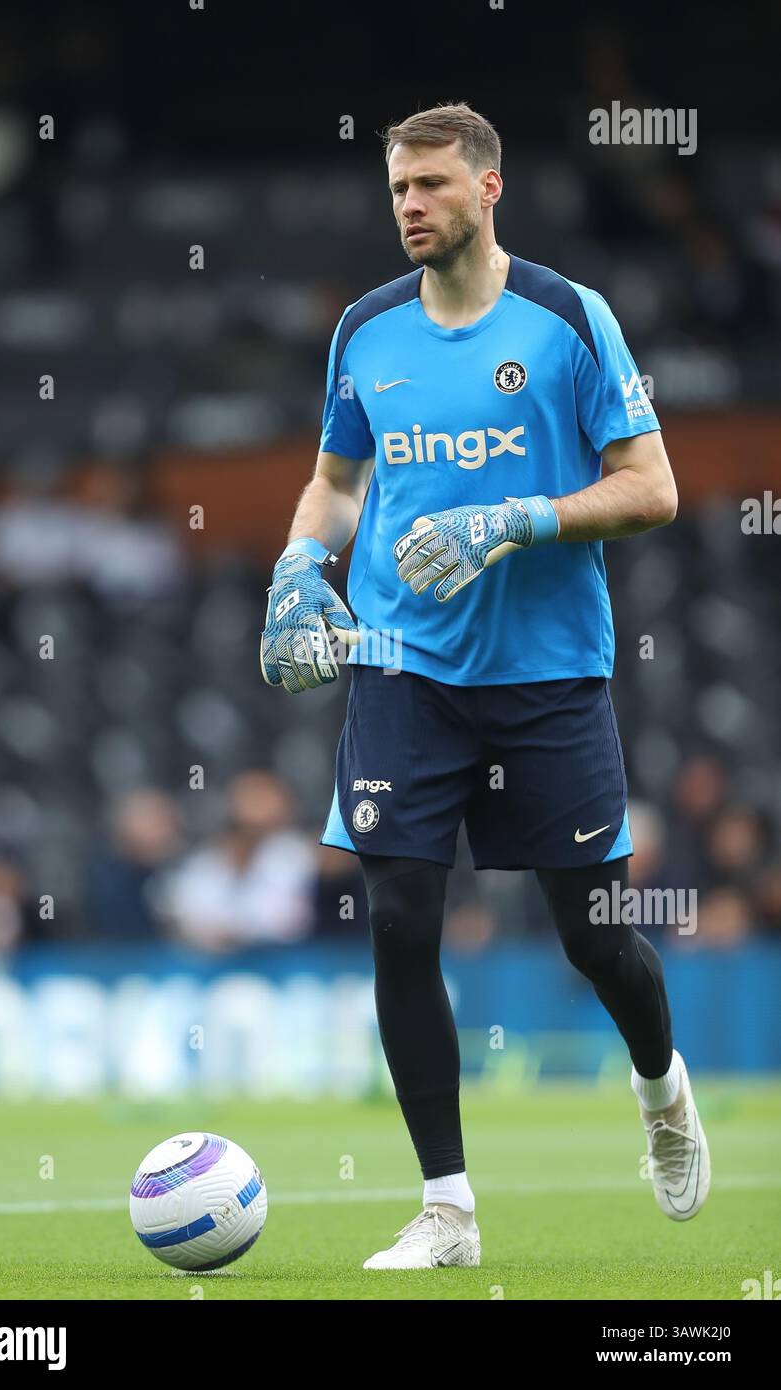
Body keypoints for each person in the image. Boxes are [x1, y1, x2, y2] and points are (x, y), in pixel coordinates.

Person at [259, 103, 709, 1269]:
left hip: (547, 674)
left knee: (594, 937)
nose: (408, 204)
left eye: (430, 185)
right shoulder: (362, 331)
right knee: (402, 920)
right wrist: (300, 560)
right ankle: (446, 1207)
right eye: (396, 187)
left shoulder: (566, 319)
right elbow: (334, 483)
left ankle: (659, 1089)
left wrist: (517, 517)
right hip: (403, 667)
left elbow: (650, 487)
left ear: (487, 189)